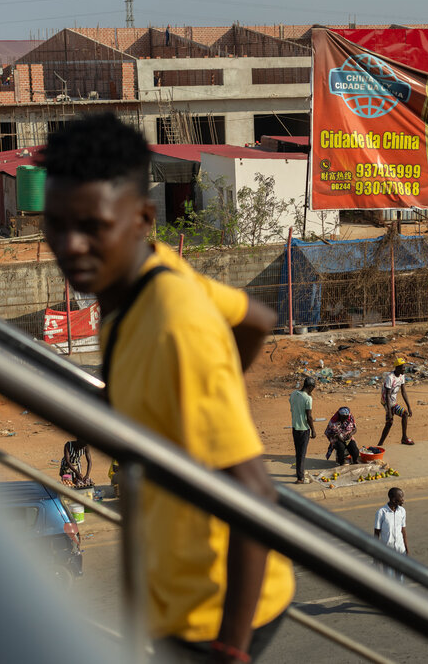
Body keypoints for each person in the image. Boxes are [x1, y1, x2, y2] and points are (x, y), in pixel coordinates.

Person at [42, 113, 293, 663]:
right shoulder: (141, 279)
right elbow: (254, 318)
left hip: (211, 610)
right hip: (172, 589)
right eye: (56, 224)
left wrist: (230, 646)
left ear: (141, 219)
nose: (71, 245)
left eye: (92, 226)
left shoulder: (176, 327)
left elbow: (255, 497)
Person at [374, 487, 409, 581]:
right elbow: (376, 534)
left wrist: (406, 549)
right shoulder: (381, 512)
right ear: (394, 499)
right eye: (401, 497)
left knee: (400, 578)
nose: (403, 499)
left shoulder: (402, 511)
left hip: (400, 550)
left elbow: (403, 530)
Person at [378, 358, 414, 446]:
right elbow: (387, 394)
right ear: (397, 368)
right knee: (397, 417)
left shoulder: (402, 376)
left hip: (392, 401)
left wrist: (409, 407)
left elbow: (403, 392)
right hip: (386, 401)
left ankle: (381, 443)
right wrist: (389, 411)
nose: (404, 369)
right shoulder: (390, 378)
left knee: (390, 422)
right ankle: (403, 438)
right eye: (402, 367)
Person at [289, 377, 316, 484]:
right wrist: (313, 430)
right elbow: (309, 416)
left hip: (295, 427)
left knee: (298, 452)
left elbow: (292, 406)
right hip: (304, 429)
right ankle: (300, 478)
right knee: (302, 453)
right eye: (313, 388)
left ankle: (299, 472)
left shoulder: (294, 394)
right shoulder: (308, 399)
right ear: (310, 387)